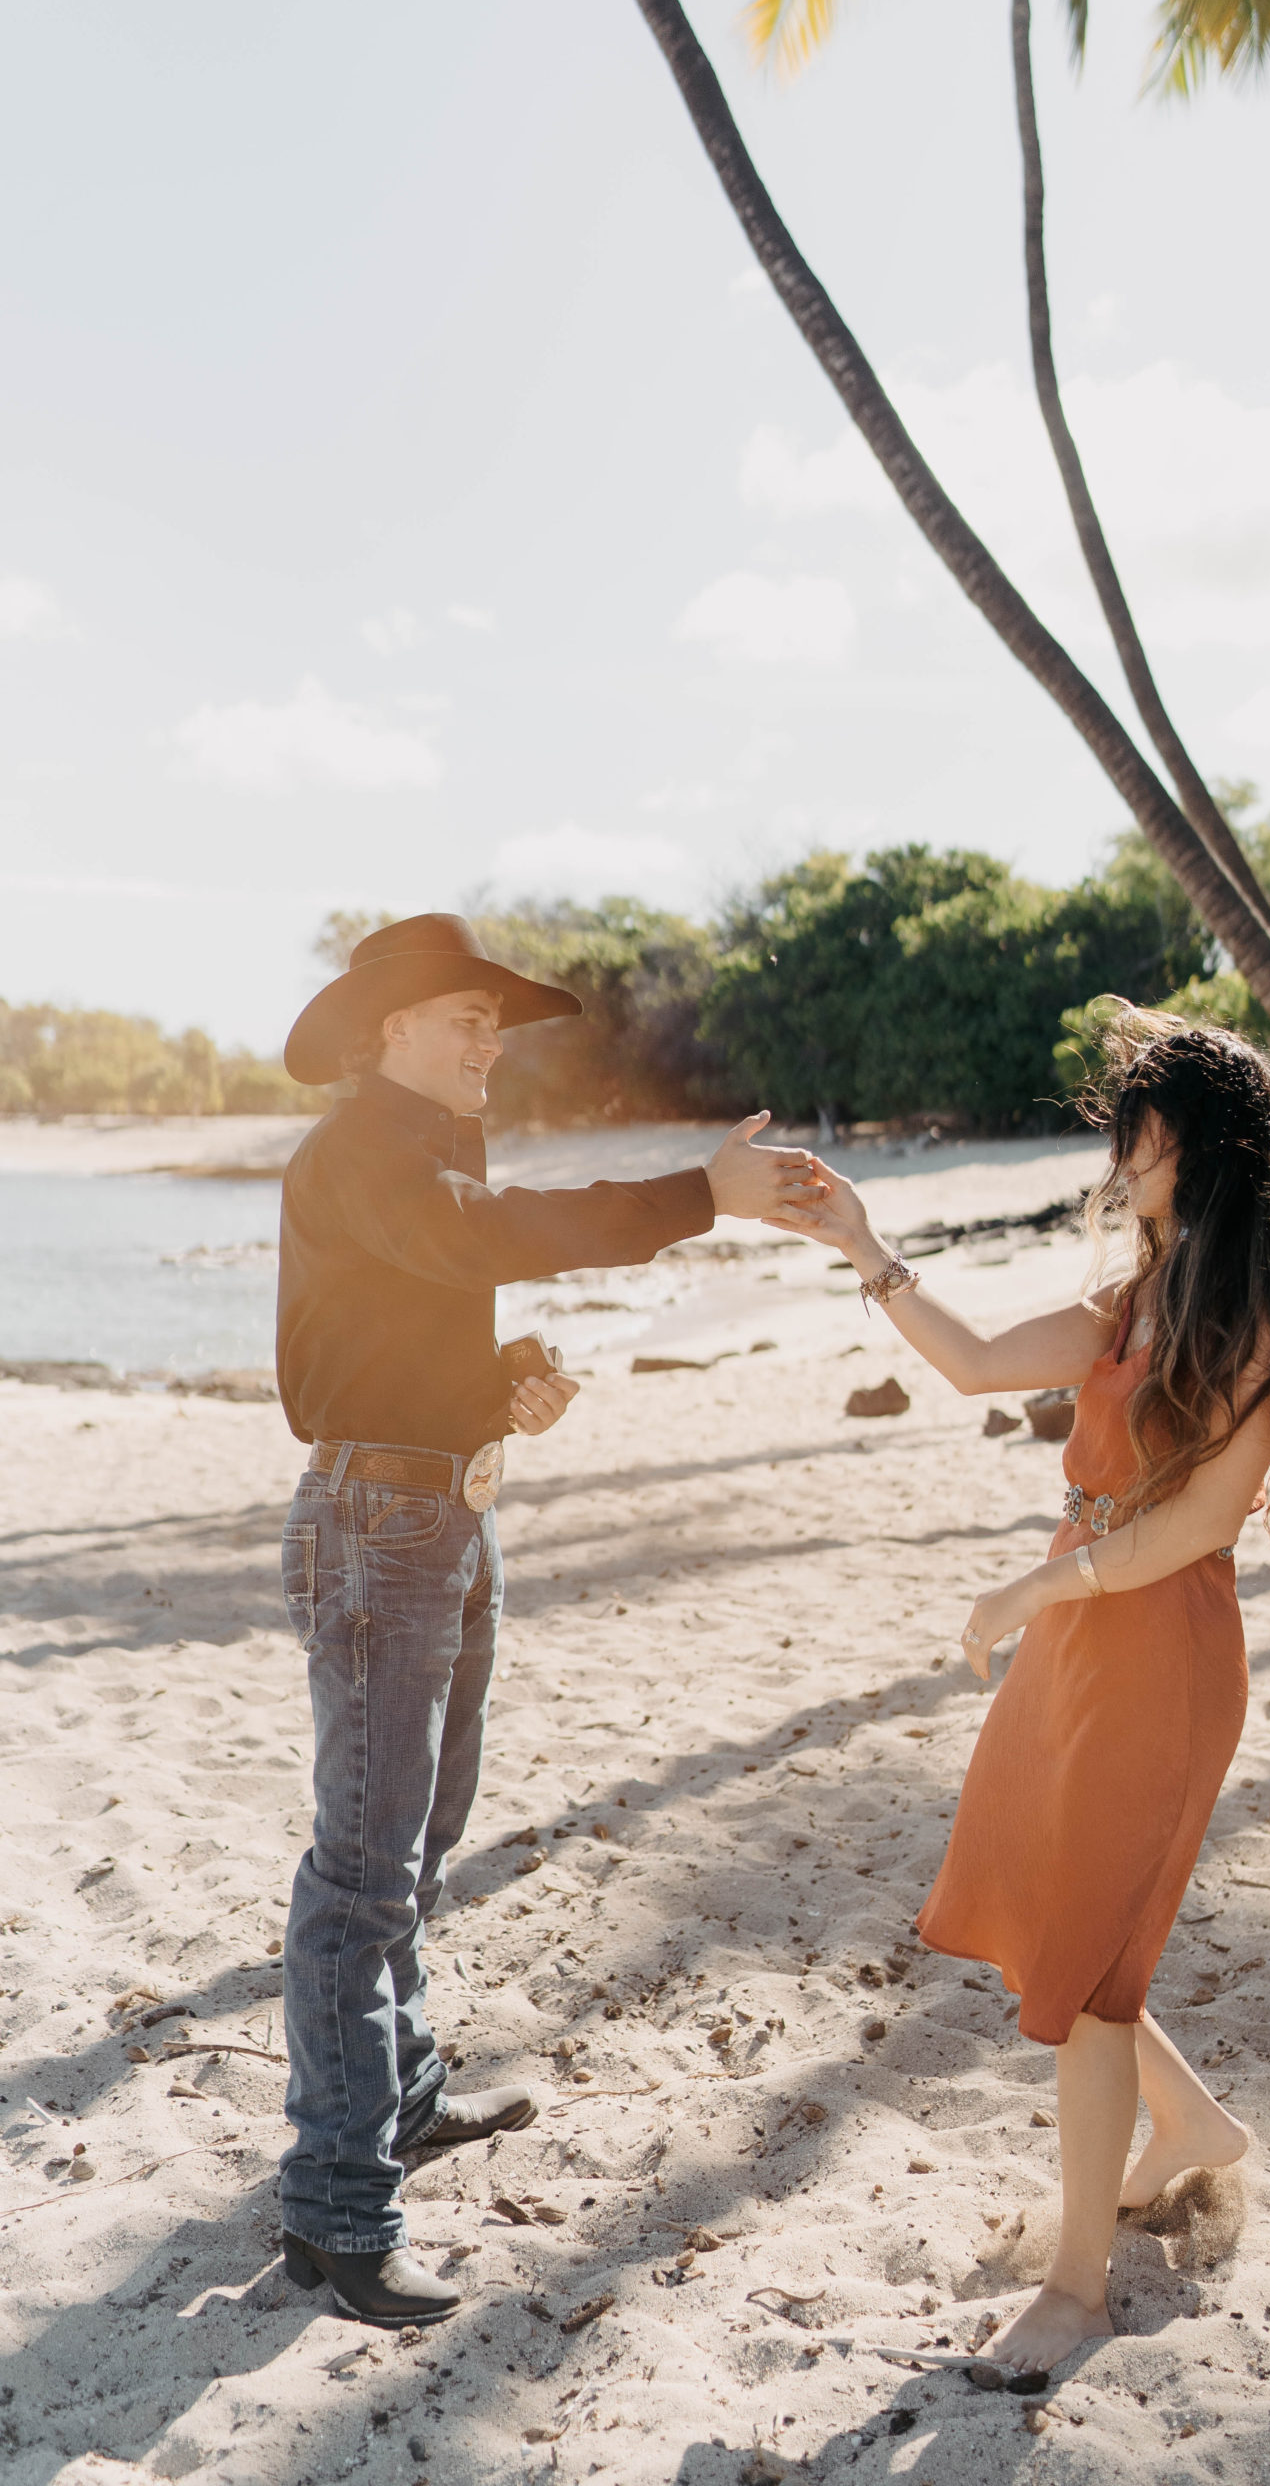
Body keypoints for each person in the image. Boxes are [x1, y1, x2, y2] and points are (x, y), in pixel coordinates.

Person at [770, 1005, 1270, 2373]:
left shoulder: (1257, 1316)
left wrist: (1036, 1589)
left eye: (1140, 1136)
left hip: (1159, 1651)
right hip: (1083, 1642)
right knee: (1056, 1921)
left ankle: (1077, 2294)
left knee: (1088, 1973)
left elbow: (1200, 1524)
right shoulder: (1137, 1304)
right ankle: (1190, 2124)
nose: (1119, 1159)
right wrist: (862, 1244)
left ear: (1200, 1148)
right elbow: (974, 1360)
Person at [273, 912, 823, 2327]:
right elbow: (485, 1237)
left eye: (496, 1026)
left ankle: (399, 2100)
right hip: (379, 1530)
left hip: (439, 1517)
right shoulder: (364, 1149)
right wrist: (700, 1193)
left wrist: (504, 1376)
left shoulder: (420, 1153)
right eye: (468, 1020)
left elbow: (401, 1319)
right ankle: (335, 2209)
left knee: (419, 1842)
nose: (491, 1045)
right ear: (389, 1027)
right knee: (362, 1873)